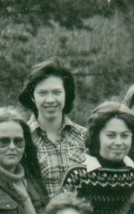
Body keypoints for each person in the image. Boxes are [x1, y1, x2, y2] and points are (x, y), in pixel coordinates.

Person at [58, 101, 134, 214]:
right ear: (96, 137)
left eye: (125, 135)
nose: (118, 142)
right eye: (110, 135)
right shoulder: (78, 175)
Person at [17, 60, 86, 195]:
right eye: (42, 93)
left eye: (56, 92)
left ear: (66, 94)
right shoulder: (21, 138)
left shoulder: (84, 136)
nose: (50, 100)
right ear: (32, 96)